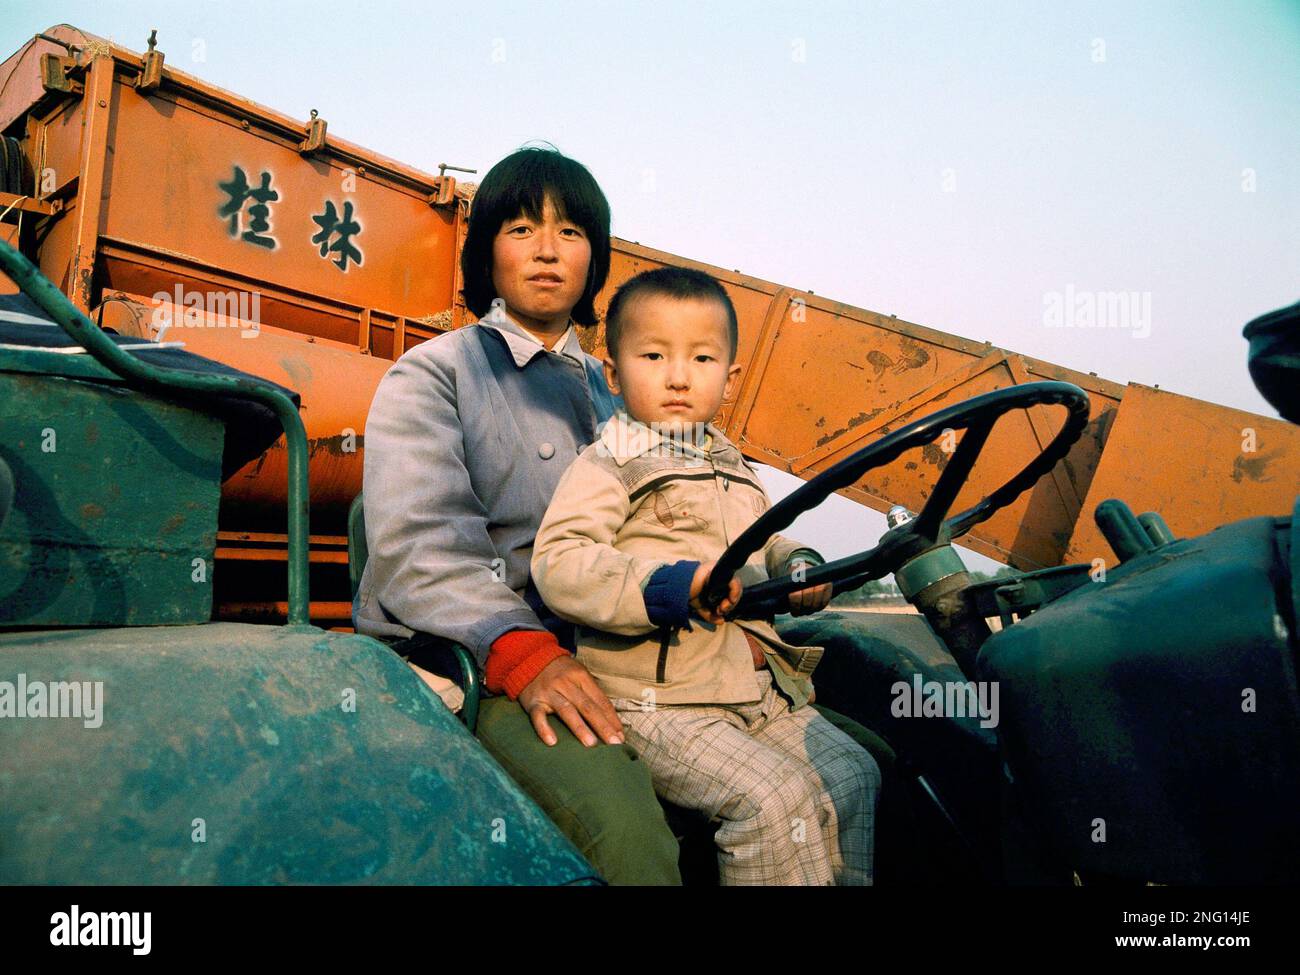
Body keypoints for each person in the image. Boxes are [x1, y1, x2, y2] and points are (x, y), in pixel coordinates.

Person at [355, 146, 683, 884]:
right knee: (628, 832)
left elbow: (675, 520)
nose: (545, 250)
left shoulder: (619, 399)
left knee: (847, 757)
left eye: (569, 232)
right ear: (487, 254)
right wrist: (522, 651)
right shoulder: (435, 372)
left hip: (618, 648)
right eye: (521, 228)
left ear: (594, 261)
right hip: (489, 658)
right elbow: (421, 548)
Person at [530, 267, 881, 884]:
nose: (677, 376)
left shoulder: (733, 464)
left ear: (730, 377)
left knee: (854, 774)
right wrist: (667, 583)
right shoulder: (610, 461)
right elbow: (561, 561)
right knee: (770, 799)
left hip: (757, 688)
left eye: (701, 358)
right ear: (612, 373)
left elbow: (769, 535)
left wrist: (798, 565)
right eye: (653, 355)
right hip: (660, 701)